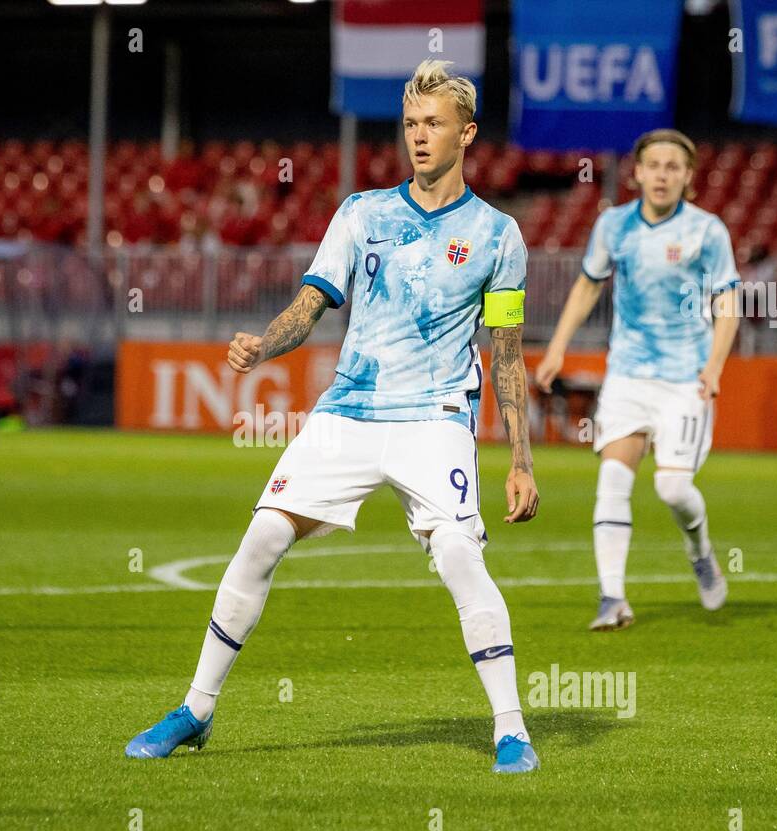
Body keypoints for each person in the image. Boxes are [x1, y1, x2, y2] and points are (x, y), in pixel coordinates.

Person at [125, 60, 541, 774]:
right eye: (411, 123)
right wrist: (265, 344)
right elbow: (311, 305)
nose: (419, 136)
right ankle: (196, 710)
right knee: (260, 538)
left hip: (433, 417)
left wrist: (522, 460)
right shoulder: (362, 213)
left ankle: (511, 730)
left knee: (457, 556)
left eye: (434, 124)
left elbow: (505, 355)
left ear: (466, 133)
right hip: (348, 410)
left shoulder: (498, 236)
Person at [536, 129, 741, 631]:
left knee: (673, 490)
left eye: (674, 167)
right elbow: (588, 284)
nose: (663, 175)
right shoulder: (614, 225)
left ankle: (701, 552)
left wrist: (714, 365)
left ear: (688, 177)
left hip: (684, 380)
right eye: (655, 165)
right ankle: (613, 598)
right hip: (627, 374)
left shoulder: (706, 231)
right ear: (638, 173)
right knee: (612, 478)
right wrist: (558, 348)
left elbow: (727, 301)